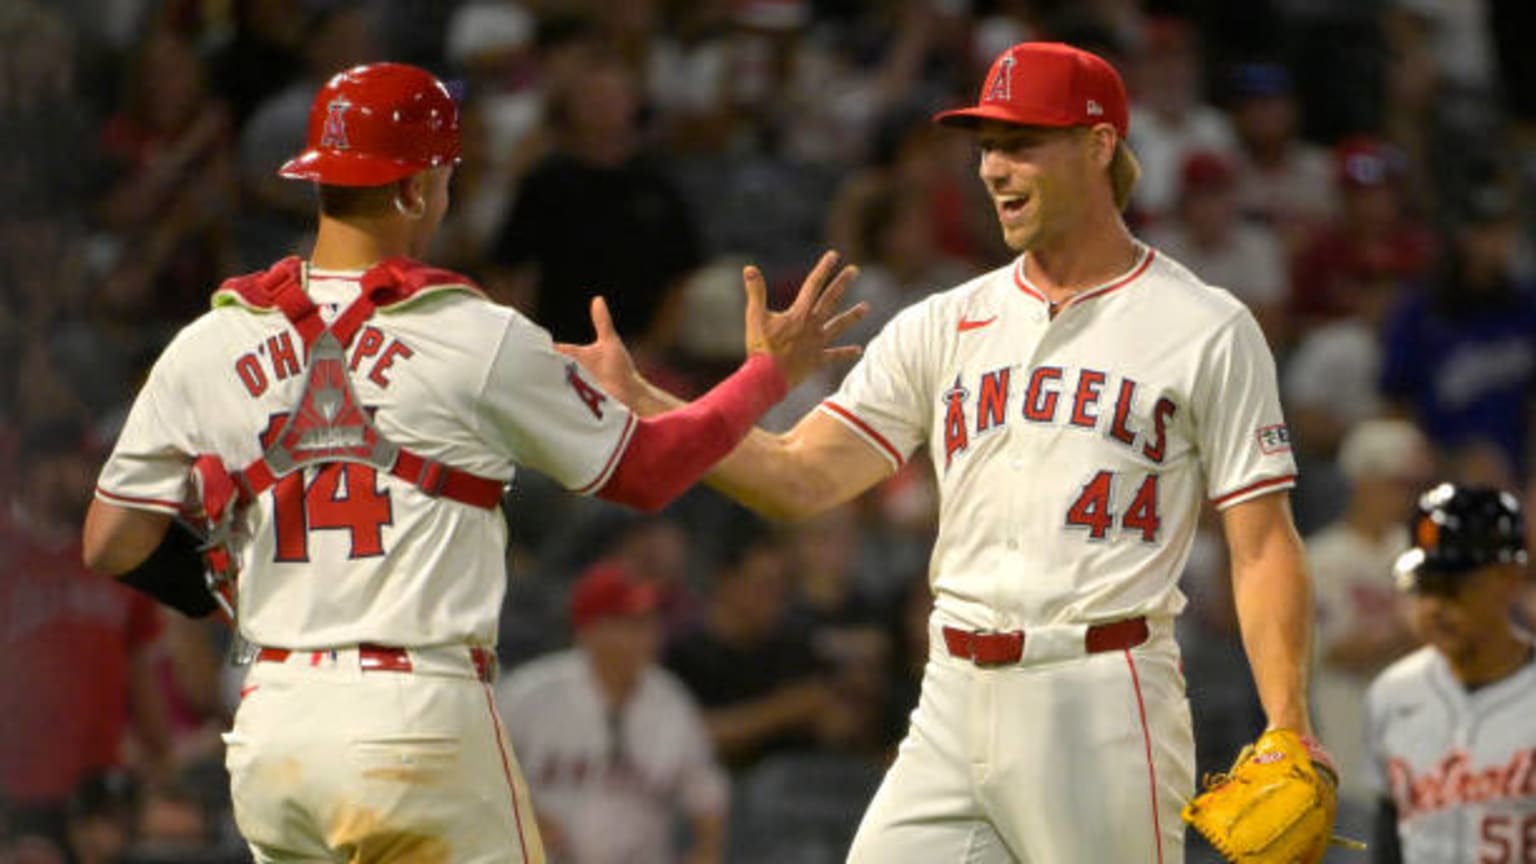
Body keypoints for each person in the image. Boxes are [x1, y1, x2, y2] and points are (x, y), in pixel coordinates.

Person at [562, 41, 1326, 862]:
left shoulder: (1204, 325)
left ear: (1102, 146)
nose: (995, 168)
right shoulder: (942, 322)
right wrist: (647, 400)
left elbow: (1261, 544)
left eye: (1022, 142)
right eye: (987, 147)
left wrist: (1290, 722)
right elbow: (797, 478)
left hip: (1102, 695)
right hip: (952, 696)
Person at [80, 62, 861, 863]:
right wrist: (768, 375)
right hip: (413, 722)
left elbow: (111, 539)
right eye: (447, 177)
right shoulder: (473, 334)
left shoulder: (210, 340)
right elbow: (651, 472)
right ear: (417, 190)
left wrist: (223, 598)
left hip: (275, 724)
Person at [496, 561, 727, 864]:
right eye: (631, 625)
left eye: (650, 623)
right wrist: (523, 817)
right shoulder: (530, 694)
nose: (648, 636)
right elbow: (469, 779)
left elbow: (706, 800)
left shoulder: (671, 701)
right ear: (589, 630)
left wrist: (705, 853)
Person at [1364, 483, 1535, 863]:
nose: (1435, 607)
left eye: (1453, 587)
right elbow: (1388, 838)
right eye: (1425, 587)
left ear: (1510, 578)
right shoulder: (1391, 694)